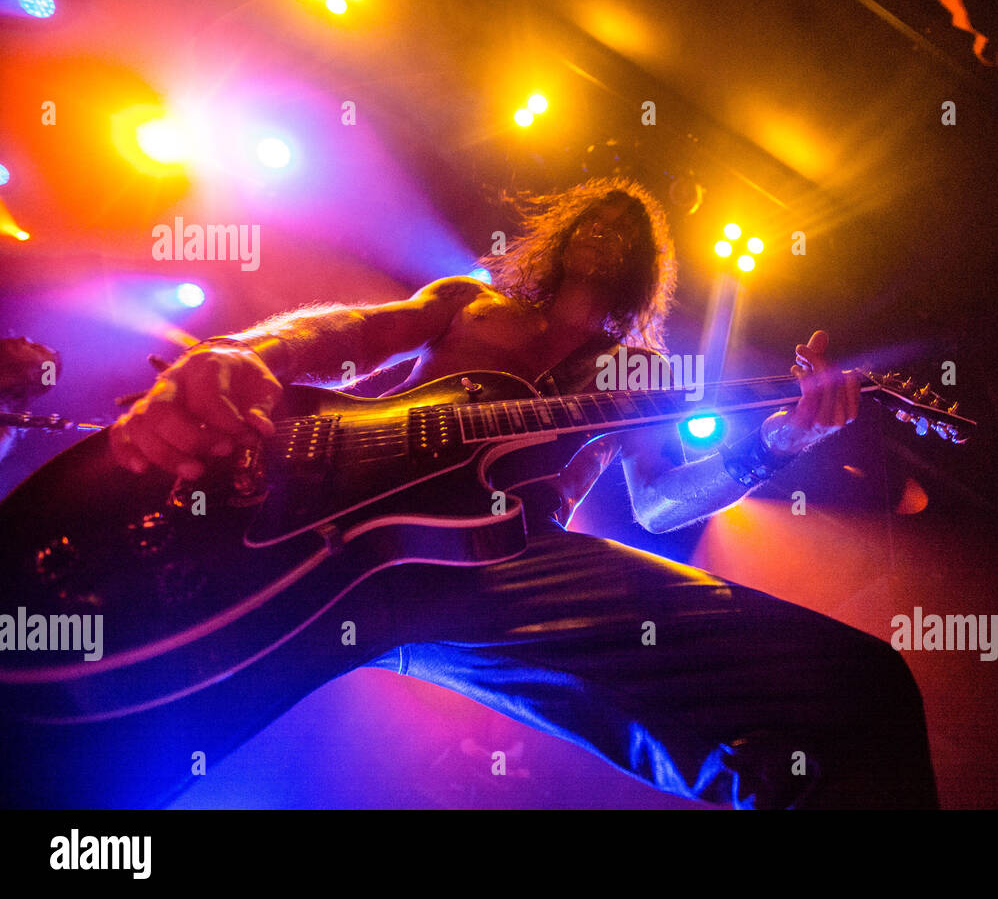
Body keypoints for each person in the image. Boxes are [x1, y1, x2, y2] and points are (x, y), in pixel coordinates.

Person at [103, 176, 939, 809]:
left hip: (491, 564)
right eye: (598, 218)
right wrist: (250, 357)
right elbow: (347, 333)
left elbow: (659, 506)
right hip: (320, 507)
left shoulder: (636, 372)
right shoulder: (468, 304)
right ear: (562, 231)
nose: (609, 233)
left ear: (648, 270)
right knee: (104, 740)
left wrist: (781, 442)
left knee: (856, 686)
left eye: (631, 233)